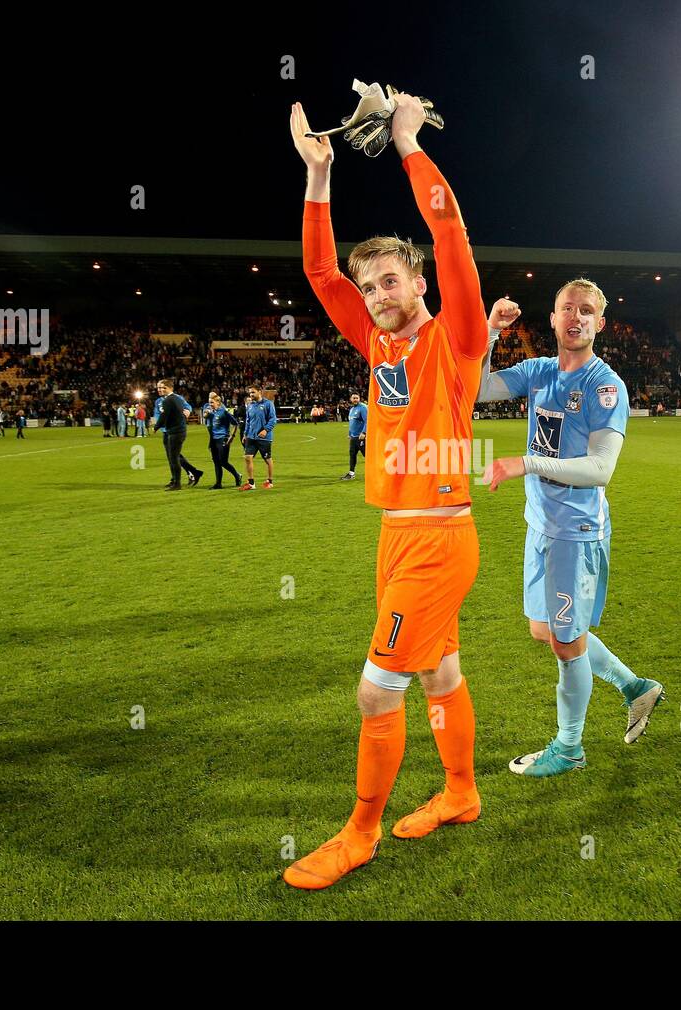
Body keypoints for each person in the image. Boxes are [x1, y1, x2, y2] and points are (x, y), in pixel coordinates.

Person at [283, 93, 485, 889]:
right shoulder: (375, 339)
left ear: (418, 281)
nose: (375, 295)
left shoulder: (456, 336)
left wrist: (406, 144)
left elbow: (449, 230)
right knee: (440, 675)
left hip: (438, 541)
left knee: (375, 691)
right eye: (369, 287)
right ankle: (462, 792)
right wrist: (319, 175)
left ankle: (360, 833)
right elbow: (318, 270)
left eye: (390, 280)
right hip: (398, 533)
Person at [478, 283, 663, 778]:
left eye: (587, 311)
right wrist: (491, 333)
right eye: (567, 309)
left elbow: (601, 469)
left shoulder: (607, 387)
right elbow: (479, 388)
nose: (576, 318)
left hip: (574, 532)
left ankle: (570, 747)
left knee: (566, 642)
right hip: (539, 525)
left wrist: (526, 463)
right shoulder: (539, 371)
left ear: (600, 324)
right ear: (554, 320)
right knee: (545, 630)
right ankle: (634, 686)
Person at [152, 379, 202, 490]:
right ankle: (177, 477)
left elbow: (187, 407)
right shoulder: (158, 401)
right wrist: (158, 423)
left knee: (174, 457)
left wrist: (184, 416)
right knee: (172, 457)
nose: (159, 390)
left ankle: (184, 476)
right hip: (166, 431)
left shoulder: (177, 398)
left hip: (174, 430)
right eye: (158, 387)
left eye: (162, 387)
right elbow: (157, 414)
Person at [240, 385, 277, 491]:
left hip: (264, 438)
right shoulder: (250, 405)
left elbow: (273, 419)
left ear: (260, 392)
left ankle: (269, 481)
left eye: (253, 392)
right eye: (250, 393)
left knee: (267, 459)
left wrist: (265, 430)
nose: (251, 395)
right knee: (248, 457)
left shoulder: (268, 404)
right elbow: (248, 421)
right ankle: (251, 483)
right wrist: (245, 434)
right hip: (251, 437)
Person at [203, 392, 243, 488]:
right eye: (209, 402)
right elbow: (208, 425)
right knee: (216, 461)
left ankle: (237, 475)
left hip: (223, 439)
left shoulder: (224, 412)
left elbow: (235, 423)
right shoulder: (211, 413)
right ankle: (218, 483)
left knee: (223, 462)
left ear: (218, 403)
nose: (210, 405)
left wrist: (231, 437)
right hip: (214, 439)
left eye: (212, 402)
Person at [341, 392, 367, 480]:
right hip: (353, 437)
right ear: (351, 399)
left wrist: (364, 433)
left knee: (368, 456)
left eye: (356, 398)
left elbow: (368, 421)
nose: (355, 399)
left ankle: (377, 472)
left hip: (361, 438)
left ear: (359, 398)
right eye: (353, 398)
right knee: (352, 455)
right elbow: (352, 423)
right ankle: (351, 473)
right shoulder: (352, 409)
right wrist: (349, 434)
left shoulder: (363, 408)